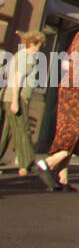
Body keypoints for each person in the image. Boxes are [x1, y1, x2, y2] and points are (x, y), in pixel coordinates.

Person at [34, 3, 79, 190]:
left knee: (69, 131)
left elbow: (67, 64)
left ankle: (61, 178)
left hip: (68, 88)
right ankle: (48, 164)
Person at [2, 31, 43, 177]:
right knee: (23, 130)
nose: (39, 48)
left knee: (8, 131)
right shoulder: (27, 58)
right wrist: (15, 101)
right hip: (18, 97)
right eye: (38, 45)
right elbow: (17, 78)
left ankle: (23, 163)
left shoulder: (18, 55)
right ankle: (27, 162)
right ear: (32, 44)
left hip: (10, 96)